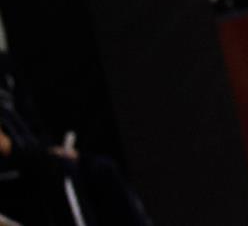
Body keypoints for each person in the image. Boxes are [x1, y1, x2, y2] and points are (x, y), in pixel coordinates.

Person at [0, 52, 152, 226]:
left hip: (33, 153)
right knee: (62, 169)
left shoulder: (5, 67)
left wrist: (50, 149)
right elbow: (4, 146)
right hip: (11, 164)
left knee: (101, 168)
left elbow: (33, 124)